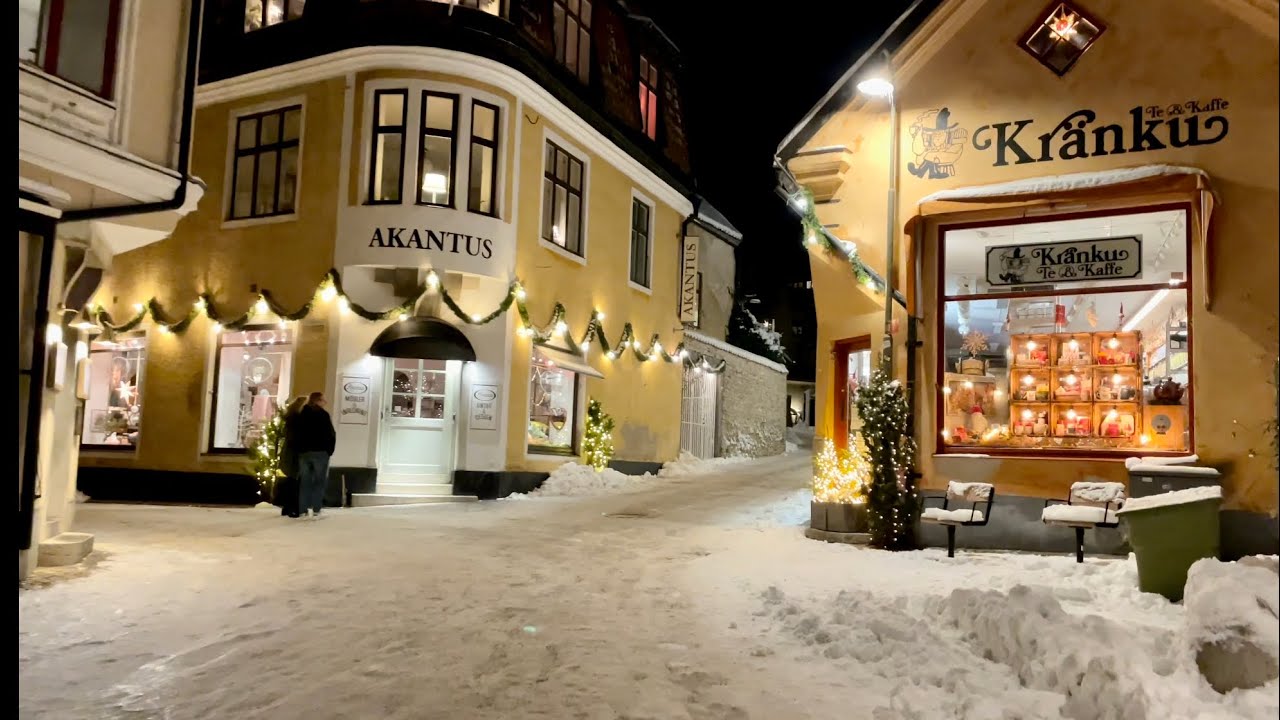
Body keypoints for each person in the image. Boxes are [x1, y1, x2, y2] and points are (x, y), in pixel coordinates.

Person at [295, 391, 336, 520]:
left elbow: (297, 434)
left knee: (305, 482)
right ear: (317, 401)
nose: (325, 402)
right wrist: (329, 450)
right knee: (319, 481)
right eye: (323, 400)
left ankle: (302, 510)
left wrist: (299, 449)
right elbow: (331, 434)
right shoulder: (323, 415)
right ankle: (316, 509)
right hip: (320, 452)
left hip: (304, 452)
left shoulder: (302, 414)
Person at [276, 395, 308, 518]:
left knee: (290, 479)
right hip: (295, 451)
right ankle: (293, 507)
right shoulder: (298, 419)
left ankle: (286, 506)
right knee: (295, 480)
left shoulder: (289, 417)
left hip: (288, 451)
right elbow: (299, 436)